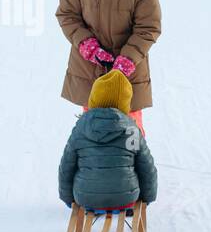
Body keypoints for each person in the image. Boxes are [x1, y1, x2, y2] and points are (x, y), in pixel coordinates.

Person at [56, 0, 161, 134]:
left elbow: (148, 27)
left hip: (128, 75)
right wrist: (86, 44)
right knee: (94, 132)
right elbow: (67, 14)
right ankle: (93, 167)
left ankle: (134, 167)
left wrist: (127, 59)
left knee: (129, 132)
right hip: (90, 71)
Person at [58, 69, 158, 214]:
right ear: (125, 103)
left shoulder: (81, 127)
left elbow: (67, 166)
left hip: (86, 198)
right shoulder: (131, 129)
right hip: (126, 198)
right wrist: (147, 198)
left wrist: (68, 198)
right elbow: (145, 166)